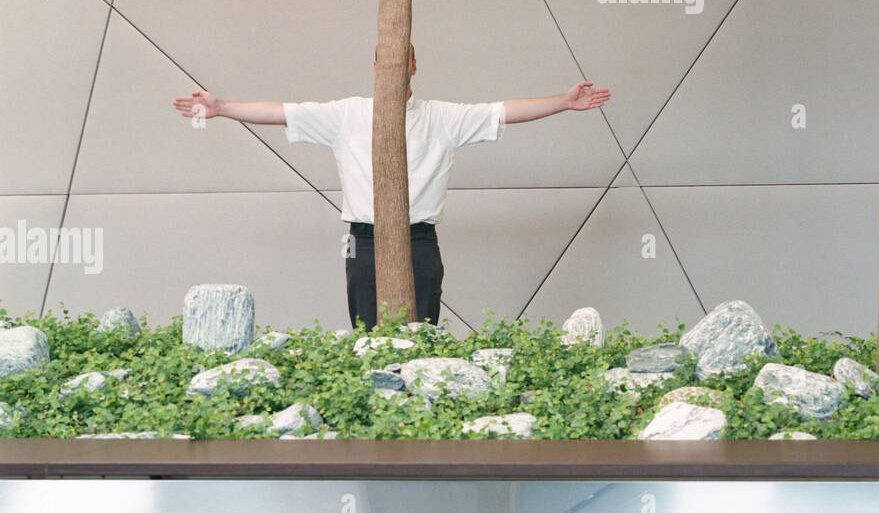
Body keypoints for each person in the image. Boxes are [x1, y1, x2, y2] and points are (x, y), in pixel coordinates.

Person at [172, 45, 610, 328]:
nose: (394, 65)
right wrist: (223, 107)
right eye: (386, 58)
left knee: (420, 333)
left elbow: (501, 112)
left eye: (404, 58)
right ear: (375, 65)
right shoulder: (348, 114)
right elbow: (284, 112)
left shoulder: (442, 117)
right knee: (367, 332)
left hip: (419, 238)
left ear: (414, 65)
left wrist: (563, 102)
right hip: (361, 239)